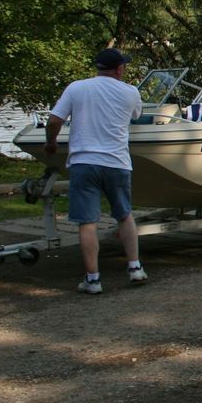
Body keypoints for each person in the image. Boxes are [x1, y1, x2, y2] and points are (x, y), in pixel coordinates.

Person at [45, 48, 145, 294]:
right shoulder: (130, 92)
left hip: (83, 162)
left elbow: (54, 120)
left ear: (98, 67)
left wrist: (51, 143)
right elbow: (136, 115)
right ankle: (135, 268)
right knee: (124, 215)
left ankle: (93, 280)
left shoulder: (76, 88)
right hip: (117, 162)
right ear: (119, 69)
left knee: (87, 222)